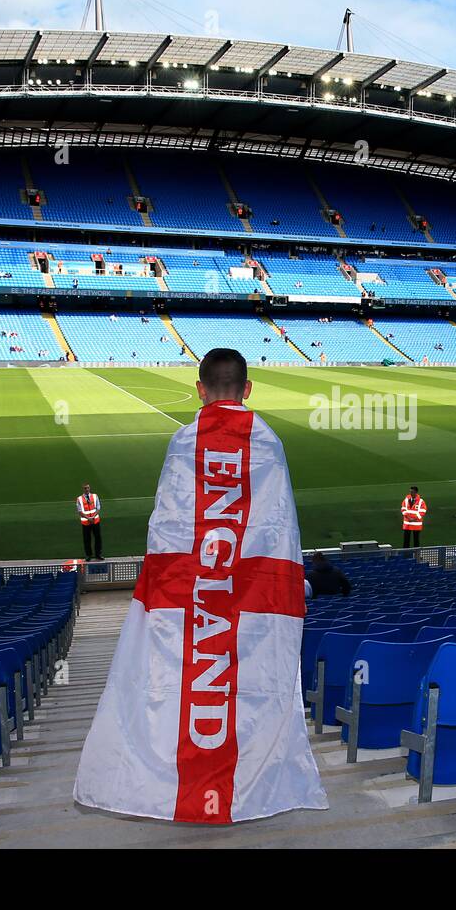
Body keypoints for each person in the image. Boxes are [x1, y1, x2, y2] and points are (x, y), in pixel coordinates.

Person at [74, 348, 326, 824]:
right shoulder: (269, 443)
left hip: (190, 600)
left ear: (199, 389)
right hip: (247, 600)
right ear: (248, 389)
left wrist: (165, 594)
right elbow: (277, 533)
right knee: (251, 682)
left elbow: (167, 531)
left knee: (179, 680)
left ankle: (175, 775)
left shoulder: (182, 442)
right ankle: (250, 774)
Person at [76, 483, 103, 561]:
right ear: (83, 489)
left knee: (98, 538)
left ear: (89, 488)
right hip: (86, 523)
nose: (87, 489)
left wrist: (93, 517)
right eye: (85, 488)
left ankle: (98, 554)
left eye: (88, 488)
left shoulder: (95, 496)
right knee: (87, 539)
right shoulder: (79, 499)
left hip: (95, 521)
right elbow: (80, 511)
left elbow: (98, 507)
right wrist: (88, 518)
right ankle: (88, 555)